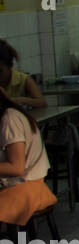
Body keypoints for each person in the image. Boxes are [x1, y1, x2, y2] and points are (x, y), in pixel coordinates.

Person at [0, 89, 56, 230]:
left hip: (25, 190)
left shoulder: (10, 119)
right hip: (24, 187)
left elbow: (16, 168)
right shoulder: (10, 115)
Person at [0, 41, 46, 110]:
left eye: (0, 71)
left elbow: (42, 103)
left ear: (10, 66)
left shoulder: (24, 79)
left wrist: (21, 100)